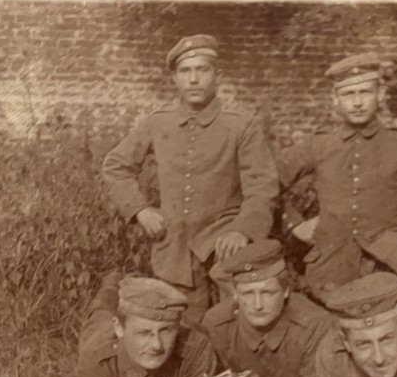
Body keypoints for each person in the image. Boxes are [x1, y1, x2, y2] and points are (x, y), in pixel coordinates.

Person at [277, 53, 397, 353]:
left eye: (365, 92)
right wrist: (295, 225)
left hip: (395, 251)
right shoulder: (319, 145)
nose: (357, 102)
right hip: (335, 258)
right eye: (348, 94)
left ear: (379, 95)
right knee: (342, 340)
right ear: (335, 100)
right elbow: (266, 182)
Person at [102, 34, 279, 321]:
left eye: (202, 69)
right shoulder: (158, 122)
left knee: (233, 327)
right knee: (185, 334)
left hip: (225, 249)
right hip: (174, 250)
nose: (194, 79)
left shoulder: (241, 125)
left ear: (216, 75)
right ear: (174, 78)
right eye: (185, 71)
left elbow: (263, 188)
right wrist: (140, 210)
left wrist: (243, 230)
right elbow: (115, 166)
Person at [201, 239, 334, 377]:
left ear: (285, 291)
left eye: (267, 293)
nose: (258, 305)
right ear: (235, 294)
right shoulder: (216, 323)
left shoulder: (314, 324)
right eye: (248, 294)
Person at [74, 273, 218, 377]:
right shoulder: (97, 357)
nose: (157, 345)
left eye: (166, 330)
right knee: (102, 307)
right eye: (144, 333)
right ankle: (112, 284)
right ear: (119, 328)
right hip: (101, 326)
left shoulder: (196, 346)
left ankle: (135, 280)